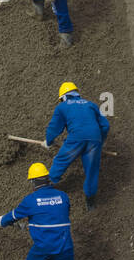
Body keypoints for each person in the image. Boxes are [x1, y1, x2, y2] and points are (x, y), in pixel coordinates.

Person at [44, 82, 110, 211]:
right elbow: (105, 126)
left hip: (76, 138)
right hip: (94, 139)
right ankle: (90, 202)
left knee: (61, 161)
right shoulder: (91, 105)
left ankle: (47, 188)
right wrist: (99, 142)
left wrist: (48, 141)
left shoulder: (62, 107)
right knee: (92, 170)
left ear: (63, 97)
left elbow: (54, 128)